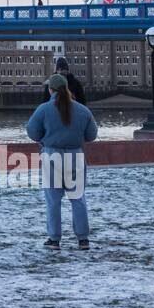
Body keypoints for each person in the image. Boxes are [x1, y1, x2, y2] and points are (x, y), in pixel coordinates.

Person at [26, 72, 98, 250]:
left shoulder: (43, 109)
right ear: (66, 89)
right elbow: (92, 135)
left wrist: (46, 137)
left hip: (52, 156)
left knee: (53, 200)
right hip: (76, 157)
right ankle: (83, 239)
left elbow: (32, 132)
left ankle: (54, 239)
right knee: (78, 199)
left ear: (51, 90)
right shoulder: (82, 110)